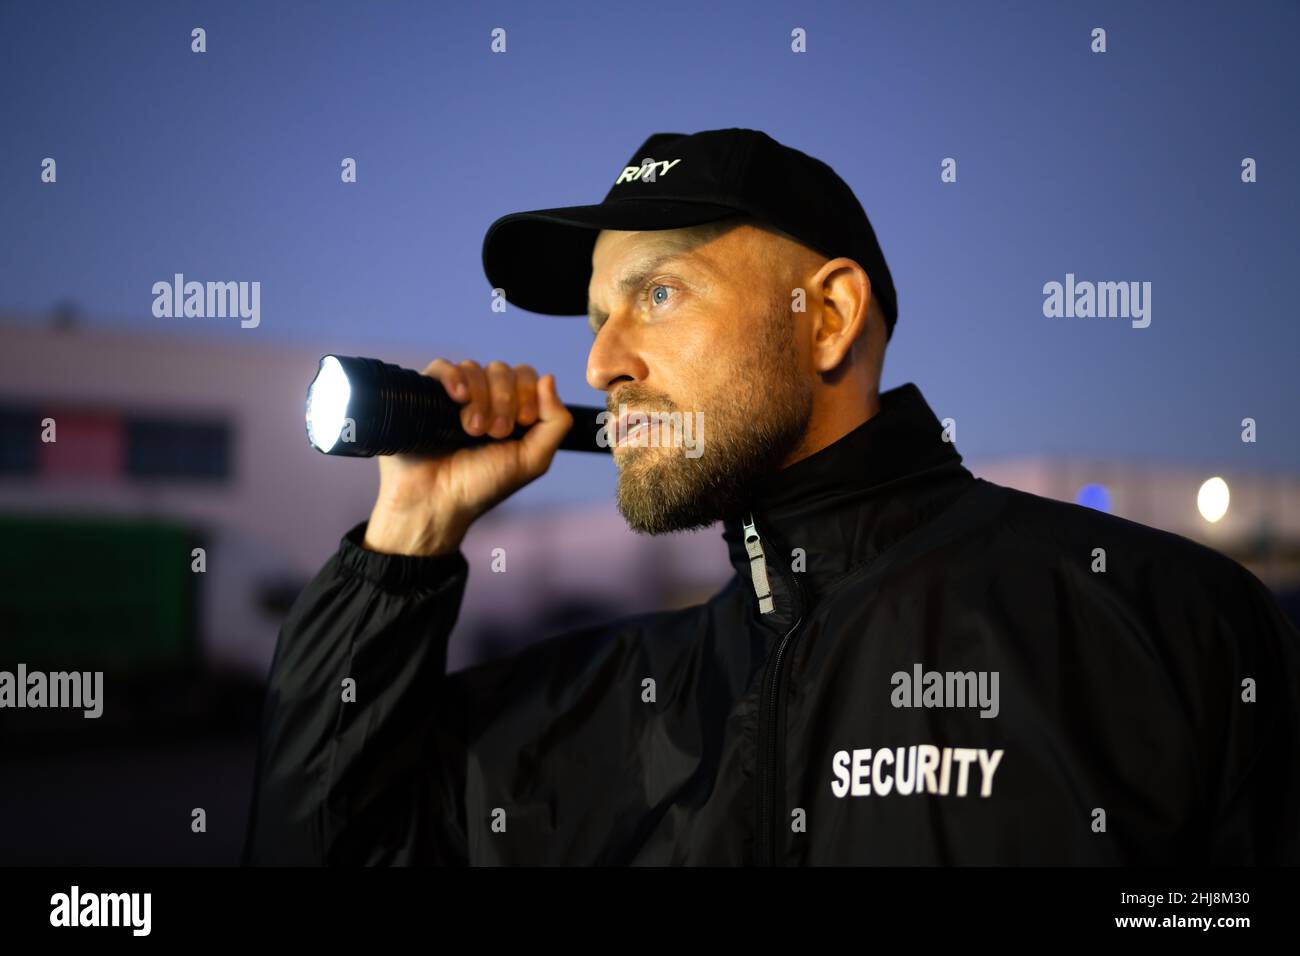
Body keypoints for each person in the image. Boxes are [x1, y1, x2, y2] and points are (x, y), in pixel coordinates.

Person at [242, 128, 1300, 865]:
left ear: (829, 316)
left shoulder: (1163, 623)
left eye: (656, 294)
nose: (604, 359)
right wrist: (407, 539)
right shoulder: (606, 703)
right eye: (596, 318)